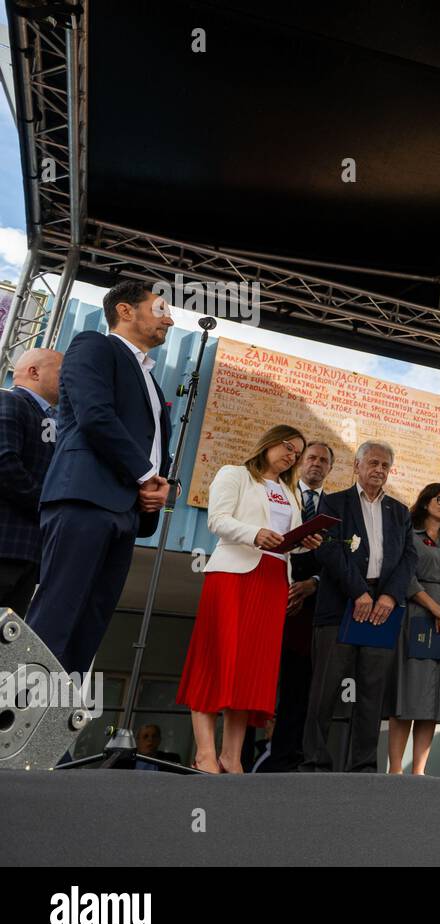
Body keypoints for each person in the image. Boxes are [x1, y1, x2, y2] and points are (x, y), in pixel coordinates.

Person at [26, 280, 172, 675]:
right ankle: (15, 724)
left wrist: (160, 485)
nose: (170, 319)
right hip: (86, 499)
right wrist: (146, 475)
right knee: (56, 617)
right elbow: (96, 416)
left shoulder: (152, 383)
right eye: (160, 309)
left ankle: (49, 732)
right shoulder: (94, 345)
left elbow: (152, 443)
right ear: (125, 311)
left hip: (126, 512)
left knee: (88, 628)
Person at [176, 425, 322, 774]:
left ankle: (232, 755)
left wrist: (305, 541)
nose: (292, 456)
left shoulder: (289, 492)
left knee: (250, 670)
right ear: (269, 442)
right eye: (289, 447)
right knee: (217, 658)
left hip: (273, 581)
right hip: (234, 575)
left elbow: (285, 539)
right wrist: (254, 533)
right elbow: (218, 520)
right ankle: (206, 753)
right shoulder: (235, 474)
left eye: (297, 454)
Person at [301, 441, 416, 773]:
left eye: (385, 466)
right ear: (357, 466)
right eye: (373, 463)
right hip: (340, 605)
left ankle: (363, 766)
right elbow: (328, 550)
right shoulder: (334, 503)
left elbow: (409, 559)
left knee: (372, 692)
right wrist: (358, 593)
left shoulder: (400, 511)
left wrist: (389, 597)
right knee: (325, 689)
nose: (379, 470)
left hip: (382, 610)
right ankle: (315, 763)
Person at [386, 482, 440, 774]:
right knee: (408, 692)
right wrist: (434, 608)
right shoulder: (409, 533)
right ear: (425, 501)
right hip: (416, 612)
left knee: (434, 698)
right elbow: (404, 575)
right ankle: (395, 769)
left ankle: (419, 770)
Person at [261, 440, 334, 772]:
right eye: (311, 458)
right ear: (300, 463)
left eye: (323, 460)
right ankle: (240, 755)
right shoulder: (278, 494)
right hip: (269, 595)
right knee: (258, 679)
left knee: (298, 688)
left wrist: (312, 585)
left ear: (330, 469)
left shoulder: (336, 508)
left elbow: (341, 560)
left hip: (309, 612)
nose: (316, 464)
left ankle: (285, 760)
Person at [0, 347, 62, 616]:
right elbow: (4, 465)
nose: (68, 380)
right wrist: (46, 507)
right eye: (63, 373)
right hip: (6, 545)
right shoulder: (9, 401)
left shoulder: (55, 421)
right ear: (34, 372)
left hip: (28, 553)